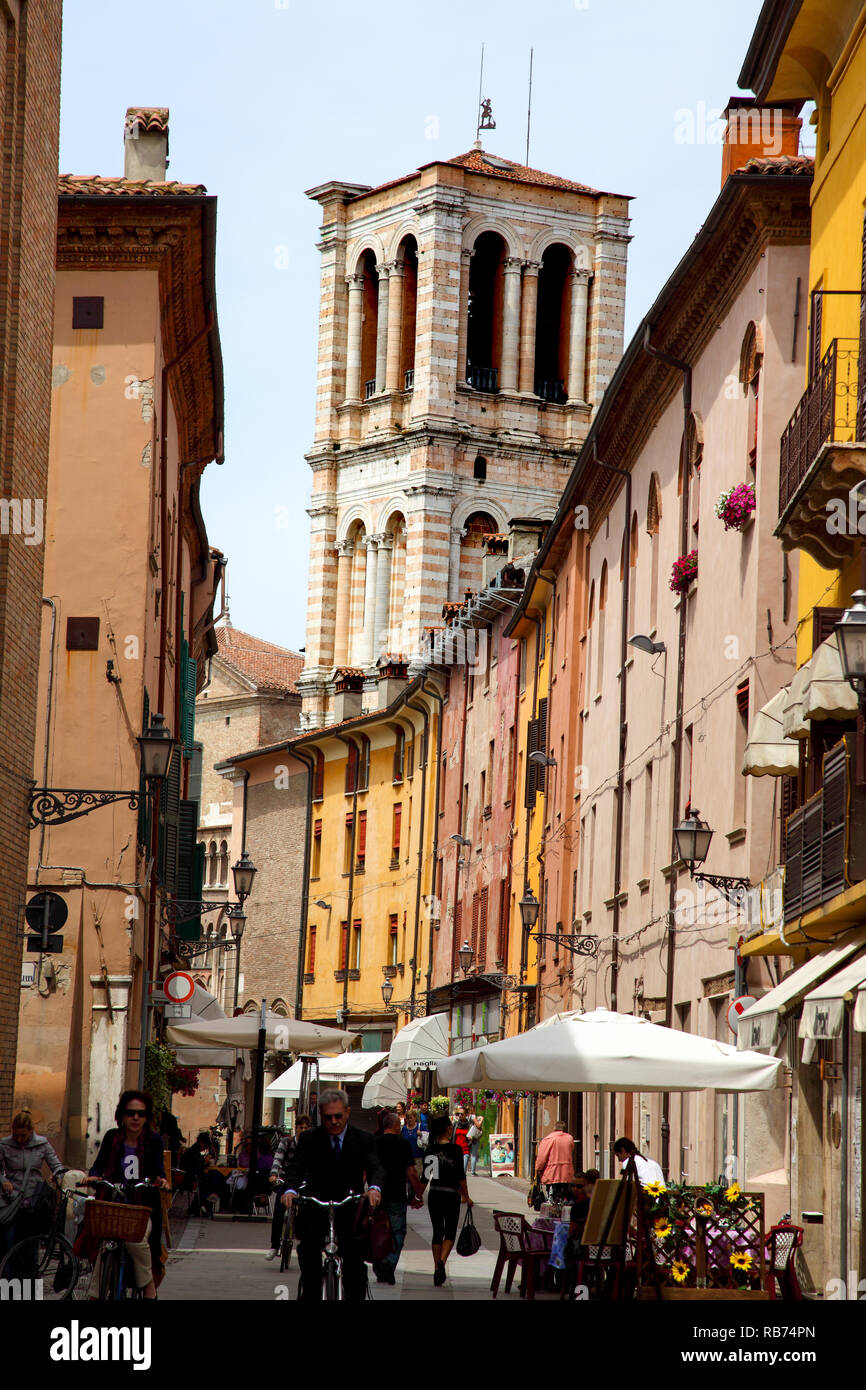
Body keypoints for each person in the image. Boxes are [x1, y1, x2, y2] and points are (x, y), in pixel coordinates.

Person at [282, 1088, 384, 1302]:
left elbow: (375, 1167)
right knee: (308, 1255)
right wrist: (290, 1190)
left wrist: (374, 1188)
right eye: (328, 1117)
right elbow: (295, 1169)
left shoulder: (363, 1139)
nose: (333, 1122)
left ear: (347, 1112)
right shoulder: (309, 1138)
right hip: (316, 1204)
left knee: (355, 1264)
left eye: (338, 1116)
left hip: (349, 1205)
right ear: (321, 1114)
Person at [87, 1090, 168, 1299]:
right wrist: (93, 1177)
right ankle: (94, 1294)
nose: (135, 1118)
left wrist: (162, 1180)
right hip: (114, 1205)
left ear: (147, 1117)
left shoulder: (153, 1140)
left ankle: (149, 1287)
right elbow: (99, 1165)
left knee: (136, 1240)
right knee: (104, 1246)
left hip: (142, 1209)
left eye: (141, 1114)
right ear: (122, 1115)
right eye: (130, 1113)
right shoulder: (112, 1137)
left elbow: (159, 1170)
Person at [0, 1108, 66, 1258]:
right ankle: (7, 1271)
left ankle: (30, 1271)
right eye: (16, 1135)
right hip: (11, 1200)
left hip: (33, 1201)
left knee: (31, 1244)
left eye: (23, 1135)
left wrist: (57, 1176)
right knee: (8, 1243)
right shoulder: (4, 1145)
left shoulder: (42, 1144)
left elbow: (56, 1165)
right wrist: (3, 1180)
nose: (19, 1139)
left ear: (31, 1131)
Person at [420, 1114, 472, 1288]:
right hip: (451, 1195)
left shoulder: (430, 1150)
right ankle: (442, 1261)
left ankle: (437, 1268)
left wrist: (418, 1196)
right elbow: (460, 1177)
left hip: (435, 1194)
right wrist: (467, 1196)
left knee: (437, 1231)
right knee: (450, 1232)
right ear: (448, 1129)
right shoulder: (456, 1150)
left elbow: (425, 1177)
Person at [372, 1111, 423, 1285]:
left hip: (377, 1195)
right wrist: (418, 1194)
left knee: (377, 1232)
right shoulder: (403, 1144)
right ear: (394, 1126)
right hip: (396, 1195)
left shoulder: (375, 1142)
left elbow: (365, 1170)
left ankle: (379, 1267)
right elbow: (412, 1172)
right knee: (398, 1232)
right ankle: (390, 1262)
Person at [265, 1115, 311, 1260]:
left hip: (304, 1181)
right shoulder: (286, 1142)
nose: (303, 1130)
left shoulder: (312, 1144)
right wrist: (274, 1174)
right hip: (286, 1179)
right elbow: (277, 1159)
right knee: (279, 1210)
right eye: (301, 1127)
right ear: (296, 1128)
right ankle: (274, 1246)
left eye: (306, 1128)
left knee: (308, 1210)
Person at [180, 1131, 230, 1215]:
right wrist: (205, 1161)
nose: (206, 1148)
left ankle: (203, 1205)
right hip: (192, 1178)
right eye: (206, 1146)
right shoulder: (194, 1152)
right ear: (202, 1143)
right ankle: (218, 1203)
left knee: (216, 1176)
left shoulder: (193, 1150)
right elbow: (198, 1166)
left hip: (195, 1177)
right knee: (217, 1178)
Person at [535, 1120, 576, 1204]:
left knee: (552, 1198)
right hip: (566, 1173)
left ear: (554, 1128)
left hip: (552, 1173)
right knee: (564, 1196)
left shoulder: (548, 1139)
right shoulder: (569, 1138)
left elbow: (542, 1157)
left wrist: (538, 1168)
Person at [401, 1108, 427, 1176]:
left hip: (418, 1157)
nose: (409, 1120)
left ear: (415, 1118)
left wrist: (421, 1134)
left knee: (417, 1177)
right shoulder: (404, 1128)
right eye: (407, 1118)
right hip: (406, 1158)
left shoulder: (421, 1126)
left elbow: (428, 1138)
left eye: (410, 1118)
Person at [467, 1107, 485, 1176]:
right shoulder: (473, 1116)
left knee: (466, 1155)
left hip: (468, 1136)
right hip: (474, 1137)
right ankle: (473, 1171)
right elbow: (478, 1125)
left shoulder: (467, 1117)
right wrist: (481, 1119)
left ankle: (464, 1170)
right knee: (473, 1155)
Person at [452, 1109, 471, 1174]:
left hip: (465, 1150)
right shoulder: (455, 1124)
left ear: (466, 1115)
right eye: (458, 1114)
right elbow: (451, 1136)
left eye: (461, 1114)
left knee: (462, 1172)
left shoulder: (469, 1125)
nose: (459, 1115)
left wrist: (471, 1138)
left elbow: (474, 1136)